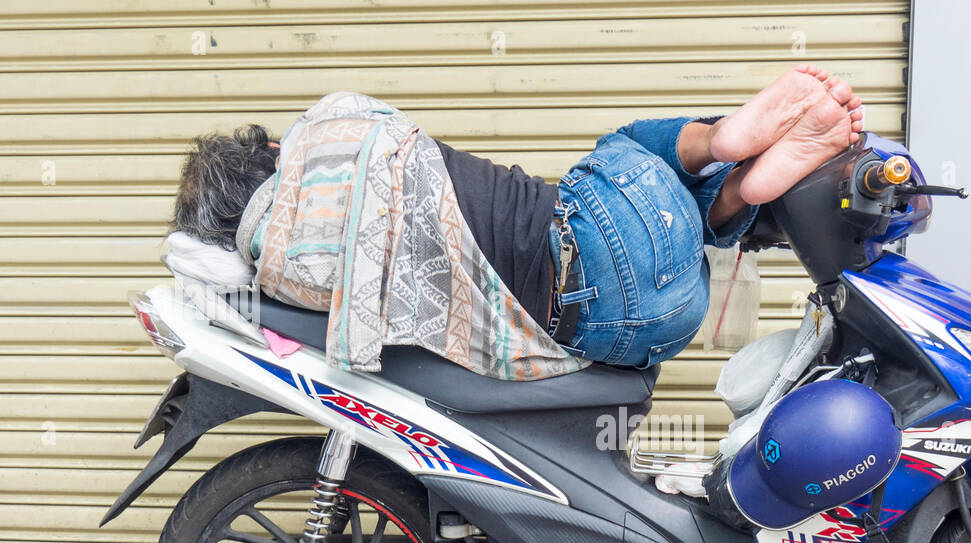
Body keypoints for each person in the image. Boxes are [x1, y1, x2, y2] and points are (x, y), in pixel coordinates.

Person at [170, 67, 863, 378]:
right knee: (619, 147)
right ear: (267, 153)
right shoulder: (331, 128)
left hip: (635, 323)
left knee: (640, 215)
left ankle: (736, 182)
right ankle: (722, 148)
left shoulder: (283, 268)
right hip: (614, 221)